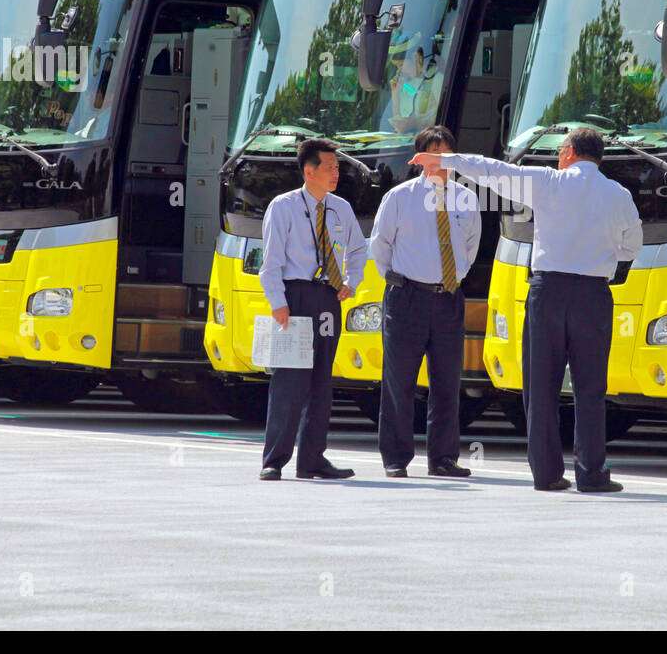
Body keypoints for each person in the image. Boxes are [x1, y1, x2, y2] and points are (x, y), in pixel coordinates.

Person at [410, 127, 642, 493]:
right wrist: (605, 261)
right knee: (592, 388)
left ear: (567, 152)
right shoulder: (619, 194)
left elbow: (492, 171)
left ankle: (547, 474)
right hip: (594, 295)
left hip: (548, 292)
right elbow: (632, 245)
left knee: (541, 385)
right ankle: (592, 473)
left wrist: (445, 161)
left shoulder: (548, 181)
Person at [370, 125, 481, 479]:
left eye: (446, 156)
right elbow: (380, 247)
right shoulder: (399, 197)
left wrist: (453, 278)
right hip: (407, 298)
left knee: (447, 384)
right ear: (419, 159)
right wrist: (401, 282)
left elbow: (470, 246)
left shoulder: (466, 198)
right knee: (399, 382)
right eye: (434, 156)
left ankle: (443, 458)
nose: (440, 164)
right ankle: (396, 458)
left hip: (448, 299)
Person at [257, 138, 367, 481]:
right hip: (295, 296)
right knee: (290, 380)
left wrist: (353, 280)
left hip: (327, 298)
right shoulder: (284, 206)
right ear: (310, 171)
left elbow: (359, 249)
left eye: (337, 167)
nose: (337, 173)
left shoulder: (341, 208)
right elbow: (271, 261)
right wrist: (278, 303)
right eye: (330, 167)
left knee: (321, 381)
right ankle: (274, 460)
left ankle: (312, 460)